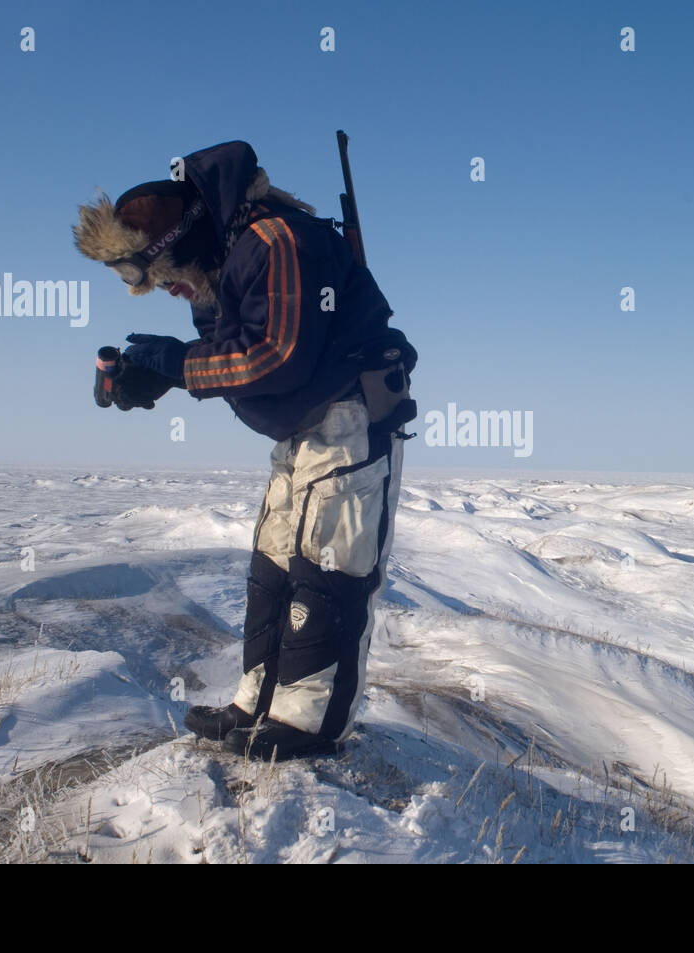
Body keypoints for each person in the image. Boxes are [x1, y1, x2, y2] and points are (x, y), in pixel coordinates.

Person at [73, 140, 416, 761]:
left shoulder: (277, 242)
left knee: (327, 568)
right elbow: (232, 362)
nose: (171, 293)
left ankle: (310, 726)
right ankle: (256, 704)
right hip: (301, 431)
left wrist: (176, 363)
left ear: (179, 241)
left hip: (349, 419)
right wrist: (157, 375)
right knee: (274, 565)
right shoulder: (229, 266)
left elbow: (277, 357)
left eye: (165, 277)